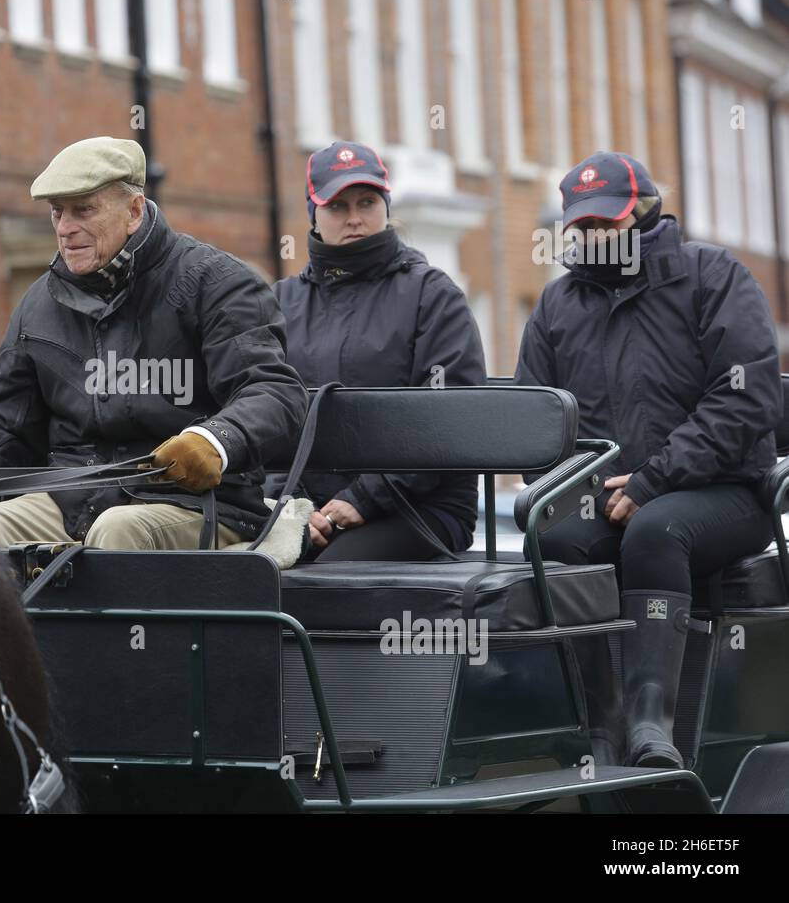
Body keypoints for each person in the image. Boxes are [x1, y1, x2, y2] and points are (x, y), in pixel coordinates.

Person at [0, 136, 308, 550]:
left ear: (134, 210)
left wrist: (214, 439)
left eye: (83, 210)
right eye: (57, 212)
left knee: (119, 531)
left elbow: (274, 393)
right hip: (72, 501)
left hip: (200, 502)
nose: (65, 228)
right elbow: (11, 439)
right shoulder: (37, 304)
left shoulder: (218, 283)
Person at [515, 150, 781, 768]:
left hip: (728, 492)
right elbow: (536, 421)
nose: (593, 236)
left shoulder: (713, 275)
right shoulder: (556, 306)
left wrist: (656, 477)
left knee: (657, 531)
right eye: (582, 226)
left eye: (606, 222)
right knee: (555, 541)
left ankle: (649, 722)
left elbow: (747, 397)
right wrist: (571, 489)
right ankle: (598, 724)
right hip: (606, 496)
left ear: (643, 211)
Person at [271, 142, 487, 561]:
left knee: (327, 570)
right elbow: (266, 415)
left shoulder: (433, 295)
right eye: (337, 206)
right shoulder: (281, 302)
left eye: (367, 202)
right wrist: (289, 505)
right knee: (241, 571)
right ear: (314, 214)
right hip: (304, 511)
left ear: (386, 205)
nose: (354, 218)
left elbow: (447, 419)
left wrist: (365, 499)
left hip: (421, 509)